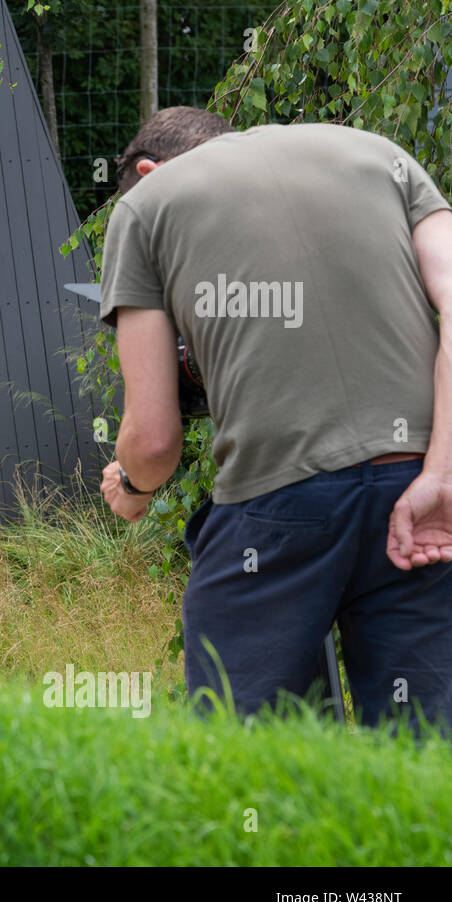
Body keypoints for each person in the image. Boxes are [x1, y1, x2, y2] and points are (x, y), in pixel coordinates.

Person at [96, 107, 452, 732]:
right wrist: (442, 474)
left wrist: (132, 485)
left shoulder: (144, 205)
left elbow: (152, 439)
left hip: (276, 505)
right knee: (425, 755)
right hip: (421, 498)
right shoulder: (379, 152)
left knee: (249, 754)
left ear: (147, 172)